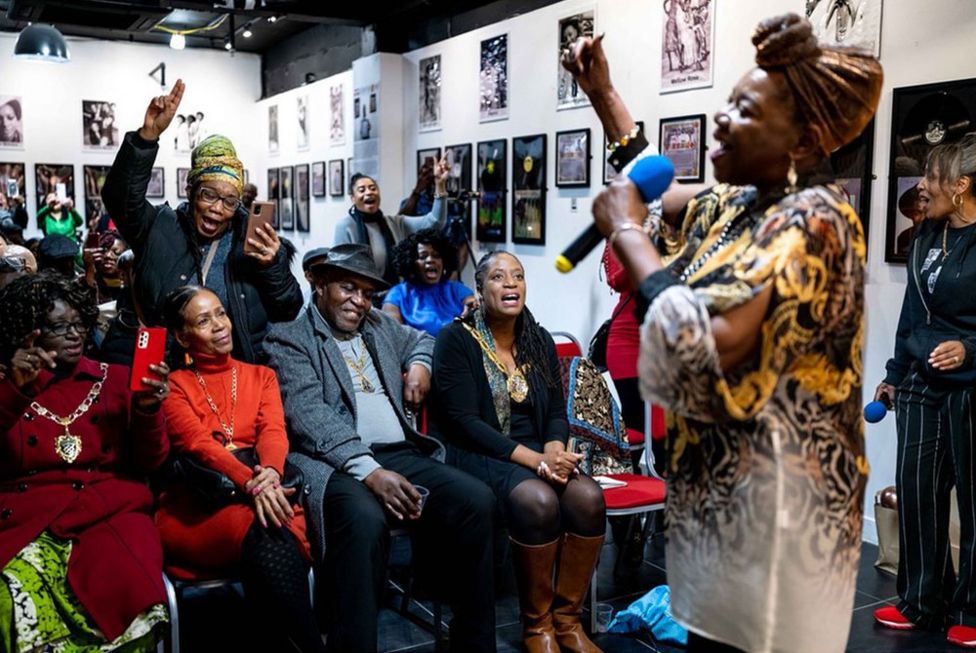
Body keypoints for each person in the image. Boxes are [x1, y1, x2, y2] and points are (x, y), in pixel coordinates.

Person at [563, 12, 882, 653]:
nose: (720, 120)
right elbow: (659, 182)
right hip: (722, 497)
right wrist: (601, 92)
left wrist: (626, 234)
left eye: (743, 110)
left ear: (802, 142)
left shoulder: (816, 224)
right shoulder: (744, 201)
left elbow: (704, 343)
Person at [265, 243, 496, 653]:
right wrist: (370, 472)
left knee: (477, 500)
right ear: (318, 284)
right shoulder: (290, 338)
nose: (359, 302)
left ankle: (473, 643)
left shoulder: (377, 324)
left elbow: (423, 339)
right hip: (334, 465)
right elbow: (307, 415)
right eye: (347, 288)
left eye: (368, 293)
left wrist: (420, 366)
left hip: (399, 453)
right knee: (365, 520)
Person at [431, 251, 606, 653]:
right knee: (539, 500)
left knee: (588, 497)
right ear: (479, 288)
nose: (510, 284)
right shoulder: (455, 339)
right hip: (480, 453)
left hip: (537, 452)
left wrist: (555, 451)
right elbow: (463, 422)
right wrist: (536, 462)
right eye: (498, 277)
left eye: (518, 276)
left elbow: (558, 411)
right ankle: (537, 627)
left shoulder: (538, 338)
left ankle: (567, 623)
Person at [0, 271, 171, 652]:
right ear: (29, 331)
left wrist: (147, 411)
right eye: (60, 326)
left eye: (79, 323)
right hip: (30, 519)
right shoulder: (8, 383)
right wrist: (13, 391)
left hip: (110, 515)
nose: (75, 334)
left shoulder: (116, 379)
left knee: (132, 589)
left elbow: (150, 462)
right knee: (11, 591)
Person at [156, 285, 325, 653]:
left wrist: (271, 475)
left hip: (263, 489)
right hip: (199, 506)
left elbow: (273, 432)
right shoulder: (173, 385)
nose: (219, 325)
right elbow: (198, 445)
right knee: (270, 527)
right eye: (204, 320)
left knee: (270, 529)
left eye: (221, 313)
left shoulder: (260, 375)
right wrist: (255, 484)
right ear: (183, 336)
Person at [100, 79, 303, 366]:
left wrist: (272, 267)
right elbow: (118, 197)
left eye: (229, 201)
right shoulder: (159, 227)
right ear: (191, 190)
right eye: (209, 195)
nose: (218, 209)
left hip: (230, 375)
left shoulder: (254, 244)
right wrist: (147, 139)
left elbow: (288, 309)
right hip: (164, 370)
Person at [872, 133, 976, 647]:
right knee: (918, 495)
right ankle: (922, 601)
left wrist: (970, 349)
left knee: (975, 506)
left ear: (960, 186)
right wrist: (894, 375)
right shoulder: (924, 238)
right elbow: (913, 313)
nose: (921, 187)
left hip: (970, 391)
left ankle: (973, 611)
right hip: (919, 386)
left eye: (932, 178)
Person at [333, 160, 450, 288]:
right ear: (353, 199)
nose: (369, 192)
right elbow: (339, 270)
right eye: (362, 190)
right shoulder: (345, 227)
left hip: (393, 297)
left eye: (373, 188)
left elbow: (436, 222)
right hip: (360, 298)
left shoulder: (395, 223)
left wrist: (440, 185)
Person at [383, 228, 475, 336]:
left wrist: (473, 312)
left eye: (436, 255)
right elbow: (392, 334)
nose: (430, 260)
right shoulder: (398, 294)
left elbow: (474, 306)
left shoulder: (456, 289)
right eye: (423, 256)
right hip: (417, 350)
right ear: (411, 262)